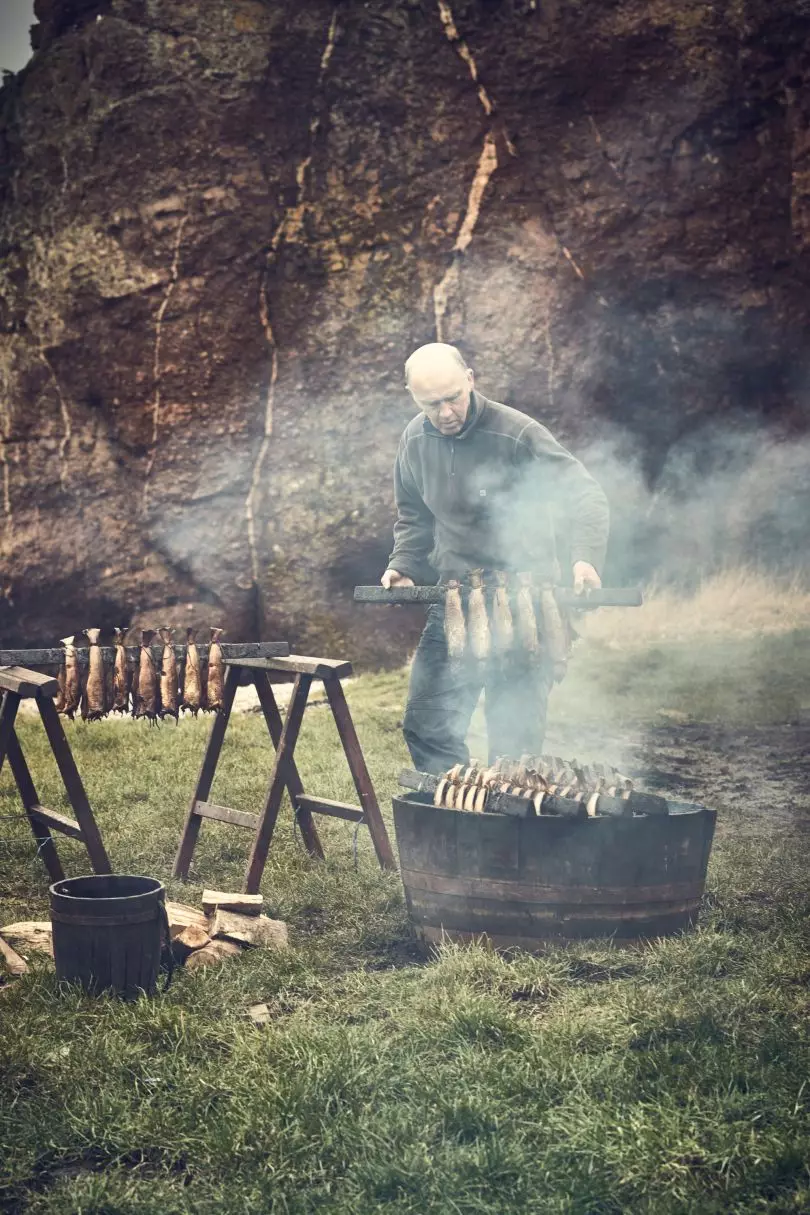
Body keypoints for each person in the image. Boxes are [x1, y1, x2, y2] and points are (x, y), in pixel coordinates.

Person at [381, 342, 609, 774]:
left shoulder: (517, 433)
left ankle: (508, 829)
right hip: (455, 600)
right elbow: (413, 514)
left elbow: (585, 495)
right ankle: (458, 814)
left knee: (515, 743)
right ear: (412, 396)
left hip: (527, 601)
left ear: (470, 379)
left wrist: (585, 560)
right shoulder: (413, 439)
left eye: (453, 398)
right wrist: (403, 565)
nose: (445, 412)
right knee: (428, 725)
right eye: (432, 404)